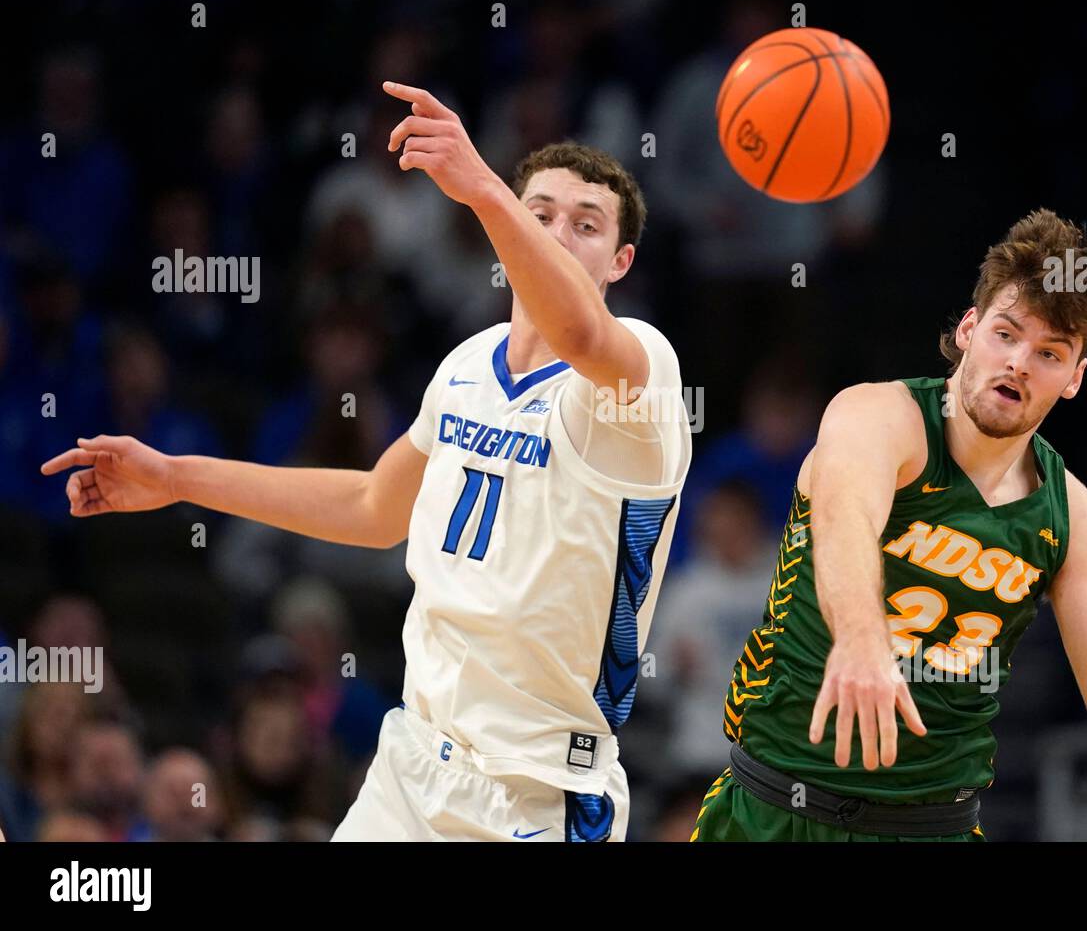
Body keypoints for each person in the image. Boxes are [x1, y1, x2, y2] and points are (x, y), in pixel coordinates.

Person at [41, 82, 692, 841]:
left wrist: (483, 187)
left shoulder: (642, 366)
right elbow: (374, 508)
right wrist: (177, 476)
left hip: (540, 791)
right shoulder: (468, 365)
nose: (554, 233)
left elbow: (581, 335)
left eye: (584, 226)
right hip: (415, 764)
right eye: (539, 213)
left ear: (619, 260)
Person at [693, 209, 1087, 842]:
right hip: (777, 805)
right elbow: (844, 520)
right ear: (970, 330)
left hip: (933, 824)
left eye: (1050, 353)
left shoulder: (1071, 513)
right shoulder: (878, 416)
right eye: (1007, 334)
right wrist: (862, 638)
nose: (1021, 363)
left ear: (1075, 378)